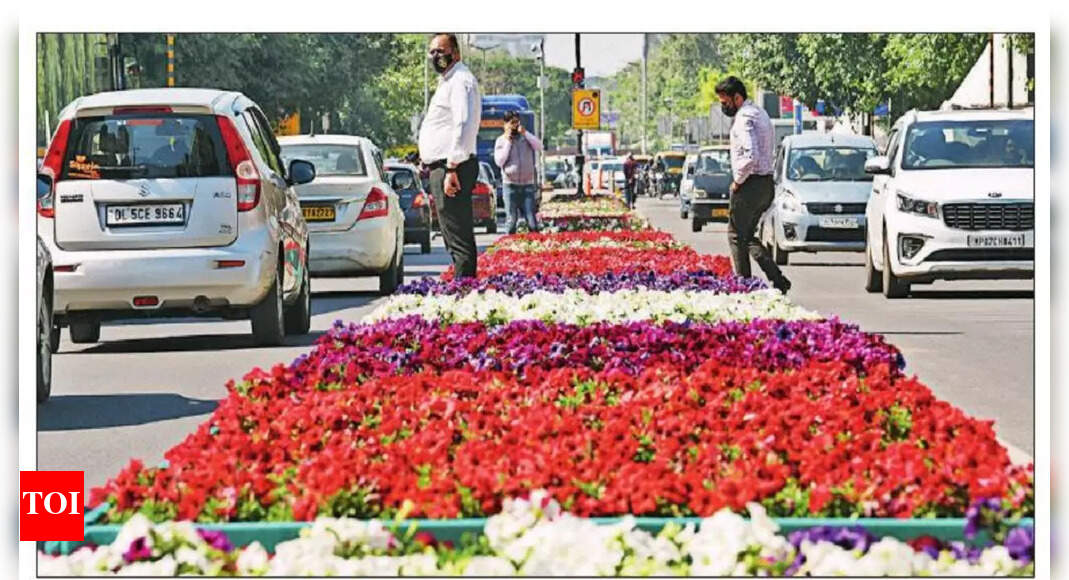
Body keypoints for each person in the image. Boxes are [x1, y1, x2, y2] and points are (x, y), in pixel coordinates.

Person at [715, 76, 791, 294]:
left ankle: (744, 286)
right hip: (766, 184)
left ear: (737, 98)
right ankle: (778, 280)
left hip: (750, 184)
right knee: (747, 235)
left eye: (725, 101)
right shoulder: (761, 113)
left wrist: (737, 181)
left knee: (736, 235)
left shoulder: (743, 119)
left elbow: (750, 155)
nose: (723, 106)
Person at [417, 33, 482, 278]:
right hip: (445, 166)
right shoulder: (449, 80)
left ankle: (464, 288)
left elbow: (463, 124)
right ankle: (462, 283)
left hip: (451, 167)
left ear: (455, 53)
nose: (435, 57)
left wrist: (452, 168)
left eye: (440, 51)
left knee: (458, 234)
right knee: (452, 232)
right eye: (432, 52)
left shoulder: (460, 81)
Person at [493, 110, 543, 233]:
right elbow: (499, 161)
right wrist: (508, 142)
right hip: (510, 185)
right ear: (505, 124)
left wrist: (525, 133)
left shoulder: (525, 138)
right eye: (511, 123)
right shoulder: (501, 141)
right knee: (511, 220)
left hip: (527, 184)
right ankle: (508, 247)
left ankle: (535, 244)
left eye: (516, 122)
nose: (514, 126)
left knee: (531, 219)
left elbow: (539, 146)